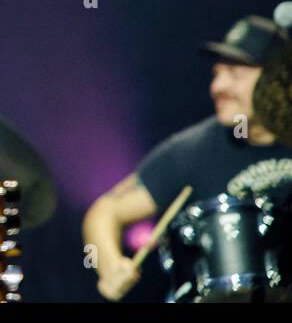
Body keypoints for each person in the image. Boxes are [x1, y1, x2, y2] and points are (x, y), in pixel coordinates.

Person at [82, 15, 292, 301]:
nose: (218, 87)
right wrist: (110, 266)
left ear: (276, 79)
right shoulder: (193, 150)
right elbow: (106, 210)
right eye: (217, 73)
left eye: (235, 74)